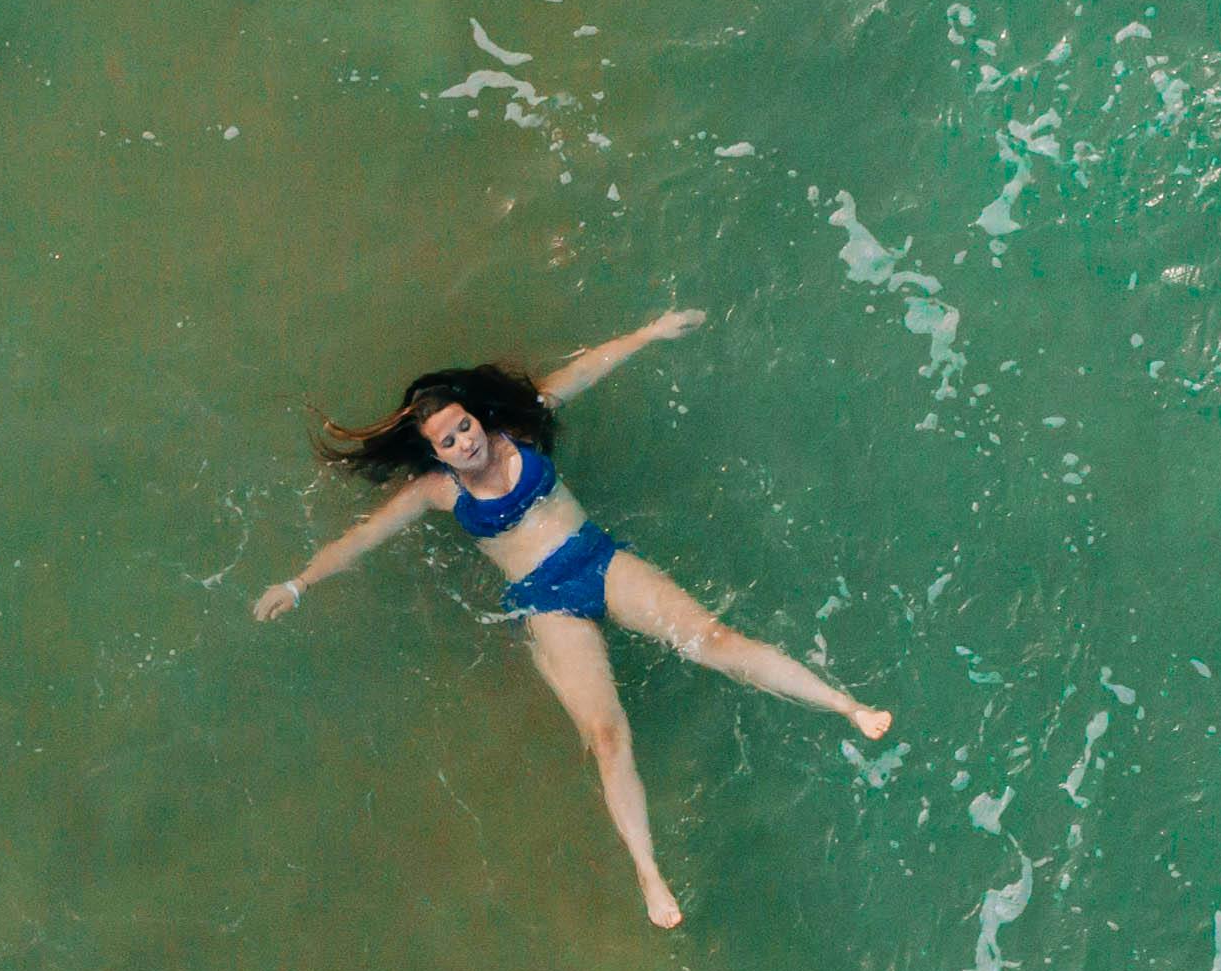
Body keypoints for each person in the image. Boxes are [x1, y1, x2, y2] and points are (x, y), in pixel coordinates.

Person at [250, 308, 887, 929]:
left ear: (478, 417)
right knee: (607, 736)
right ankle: (648, 872)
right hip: (545, 602)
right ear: (436, 454)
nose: (466, 442)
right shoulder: (436, 492)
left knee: (715, 640)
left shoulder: (520, 434)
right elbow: (363, 538)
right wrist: (299, 583)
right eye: (449, 441)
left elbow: (586, 370)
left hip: (599, 562)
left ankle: (845, 705)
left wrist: (648, 333)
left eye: (466, 426)